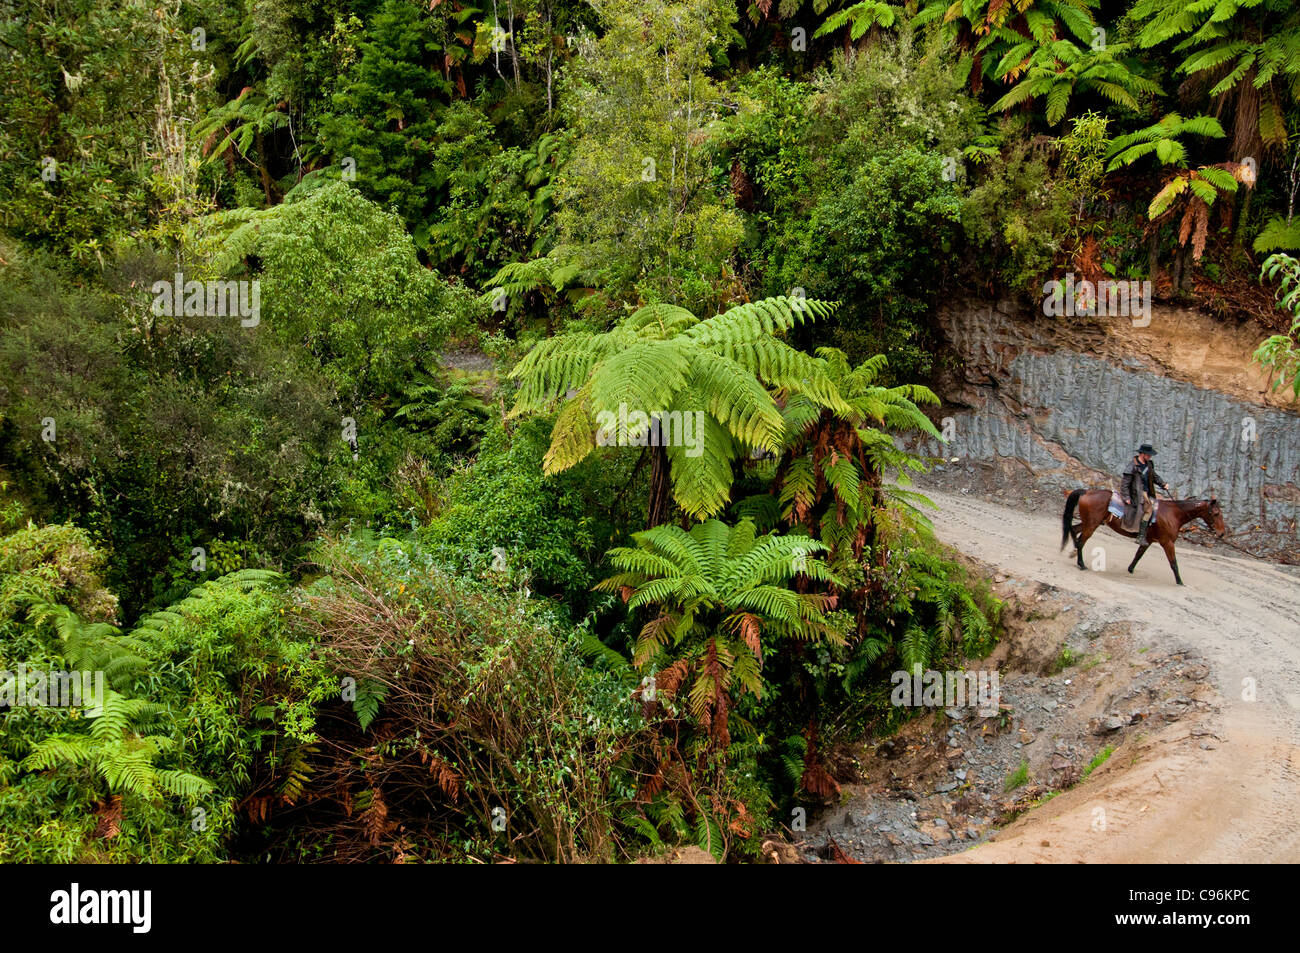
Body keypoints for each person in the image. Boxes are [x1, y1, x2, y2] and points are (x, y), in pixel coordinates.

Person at [1121, 443, 1169, 545]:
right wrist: (1126, 496)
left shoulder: (1148, 464)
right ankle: (1141, 536)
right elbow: (1125, 483)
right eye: (1148, 454)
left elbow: (1154, 476)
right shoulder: (1132, 466)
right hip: (1138, 493)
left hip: (1147, 492)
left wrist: (1163, 484)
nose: (1150, 456)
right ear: (1142, 454)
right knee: (1148, 510)